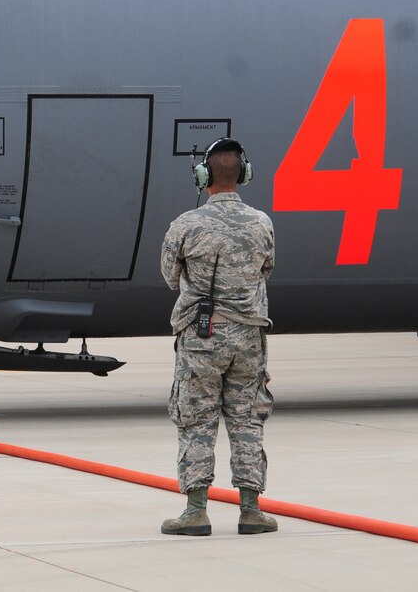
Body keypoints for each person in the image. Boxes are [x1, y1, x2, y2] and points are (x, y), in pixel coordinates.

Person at [159, 137, 278, 536]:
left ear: (203, 176)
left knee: (196, 419)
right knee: (247, 419)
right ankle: (251, 510)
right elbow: (266, 270)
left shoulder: (186, 225)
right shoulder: (262, 222)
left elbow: (170, 277)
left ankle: (195, 511)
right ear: (243, 174)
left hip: (202, 338)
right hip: (249, 338)